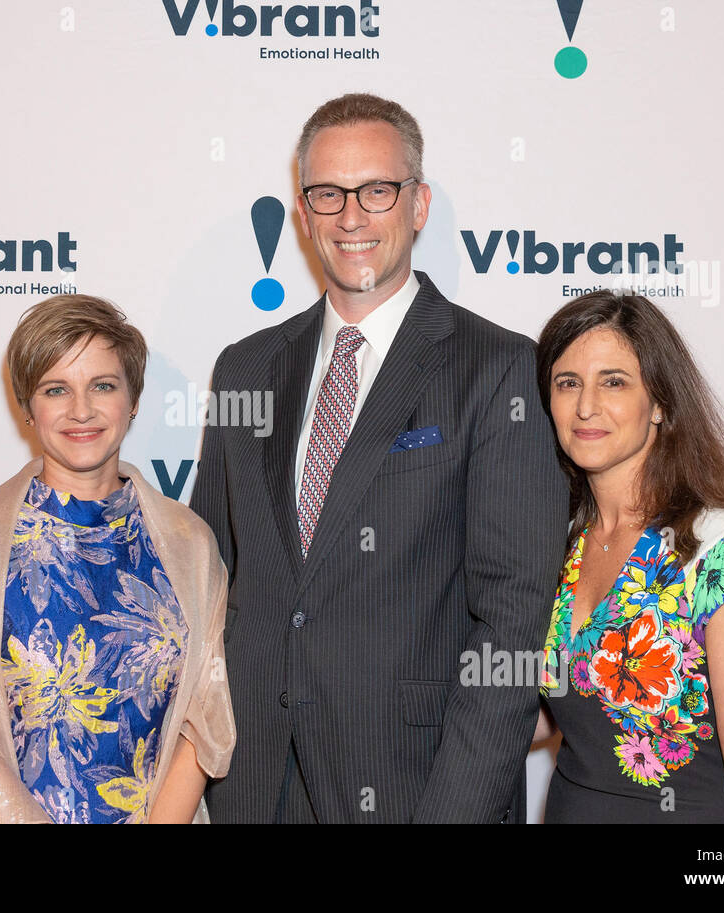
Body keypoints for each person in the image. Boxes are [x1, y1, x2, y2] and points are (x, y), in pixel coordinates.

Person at [189, 93, 568, 823]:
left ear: (418, 204)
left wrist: (453, 809)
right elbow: (209, 582)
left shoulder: (496, 367)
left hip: (419, 786)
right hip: (254, 784)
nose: (351, 216)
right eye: (328, 193)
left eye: (377, 190)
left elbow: (514, 622)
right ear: (302, 213)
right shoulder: (245, 367)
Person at [0, 295, 235, 823]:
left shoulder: (189, 542)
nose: (81, 410)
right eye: (56, 389)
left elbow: (206, 713)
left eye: (103, 386)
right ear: (27, 405)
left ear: (132, 400)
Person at [534, 290, 724, 823]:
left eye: (614, 381)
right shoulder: (556, 546)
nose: (586, 406)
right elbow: (552, 715)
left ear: (659, 403)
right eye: (568, 383)